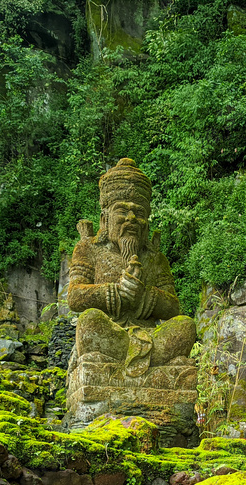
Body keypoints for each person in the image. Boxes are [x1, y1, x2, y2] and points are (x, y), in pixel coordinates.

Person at [68, 158, 194, 378]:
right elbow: (74, 297)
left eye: (140, 212)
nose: (132, 218)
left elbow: (175, 308)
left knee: (185, 325)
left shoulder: (156, 258)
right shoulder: (88, 248)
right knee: (89, 320)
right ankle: (149, 364)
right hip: (110, 332)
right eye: (122, 211)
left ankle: (125, 363)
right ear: (104, 219)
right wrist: (115, 292)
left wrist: (144, 297)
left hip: (149, 335)